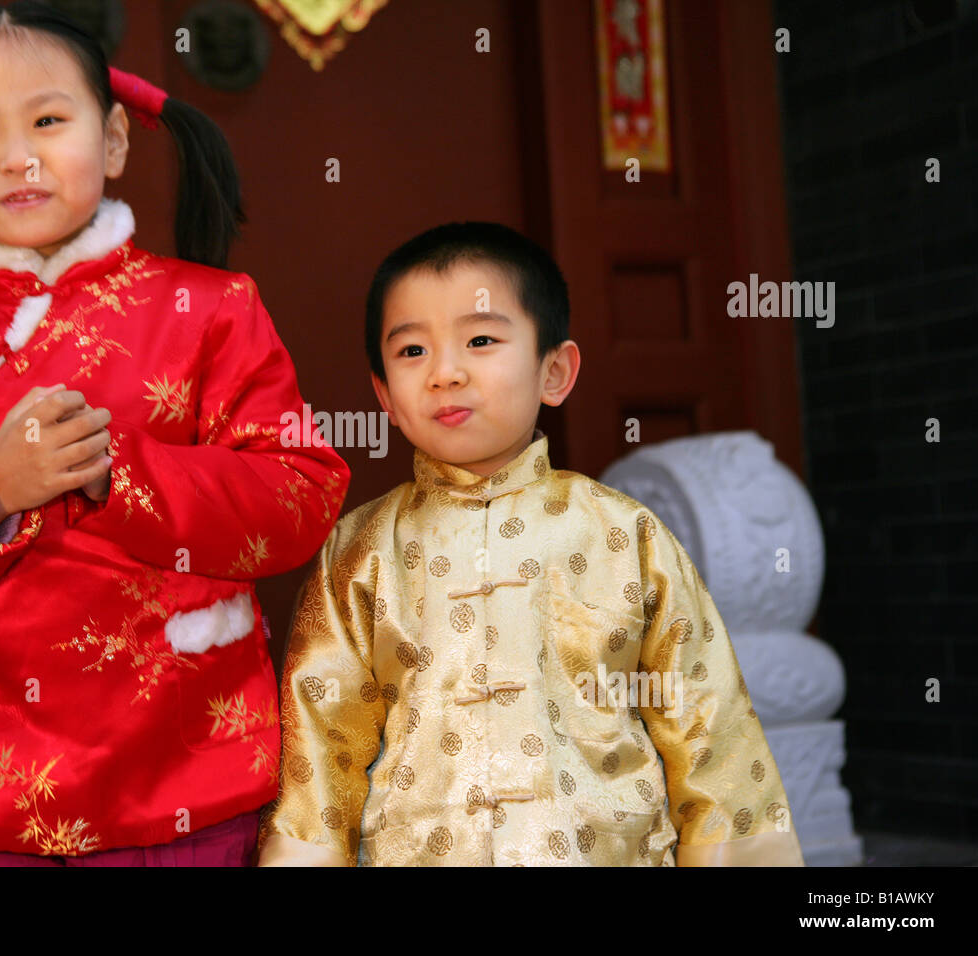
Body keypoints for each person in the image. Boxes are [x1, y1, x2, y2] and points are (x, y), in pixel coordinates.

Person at [0, 1, 349, 866]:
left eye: (50, 121)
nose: (19, 156)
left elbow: (298, 499)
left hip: (182, 775)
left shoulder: (211, 308)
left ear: (116, 140)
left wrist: (117, 475)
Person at [256, 221, 805, 866]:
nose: (445, 373)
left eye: (480, 339)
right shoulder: (359, 551)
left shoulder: (627, 537)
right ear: (385, 397)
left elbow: (710, 733)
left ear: (555, 371)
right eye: (412, 352)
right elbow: (323, 753)